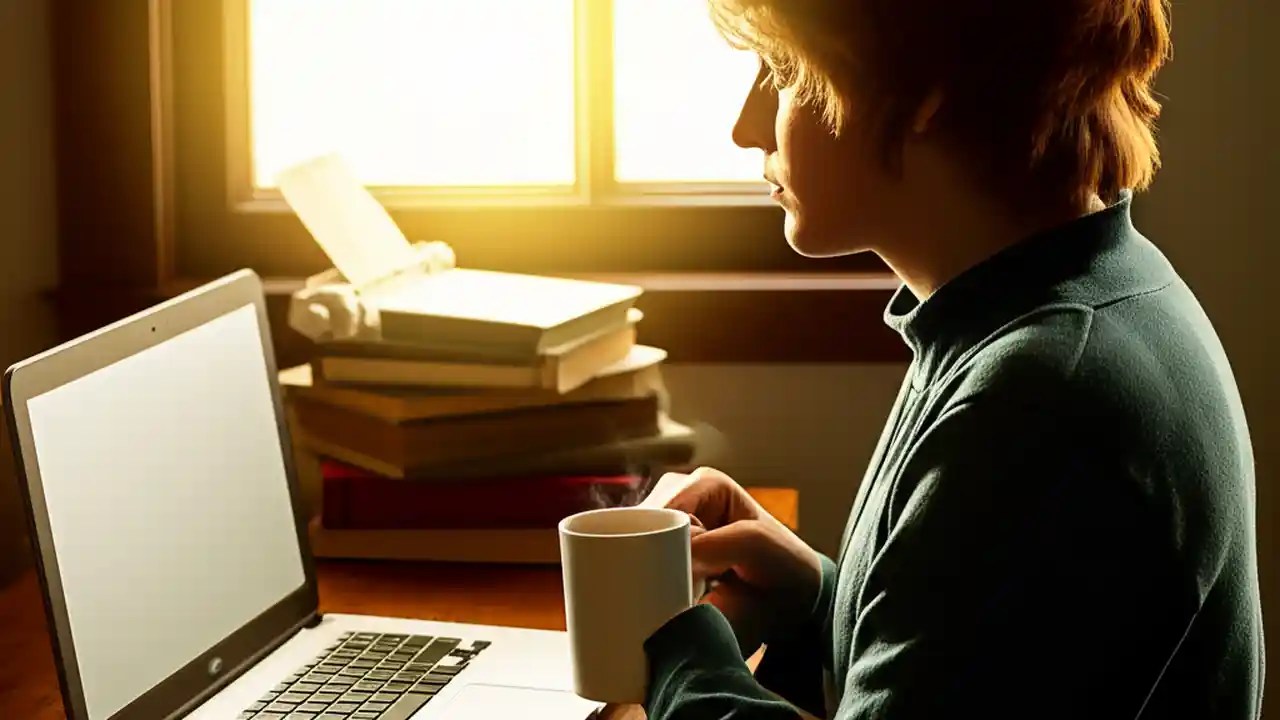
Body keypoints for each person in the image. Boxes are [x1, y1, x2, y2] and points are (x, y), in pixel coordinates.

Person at [633, 1, 1265, 718]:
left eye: (782, 71)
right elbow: (1003, 666)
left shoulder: (1038, 402)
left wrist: (673, 650)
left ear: (925, 90)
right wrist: (815, 602)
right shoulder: (1077, 303)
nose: (745, 128)